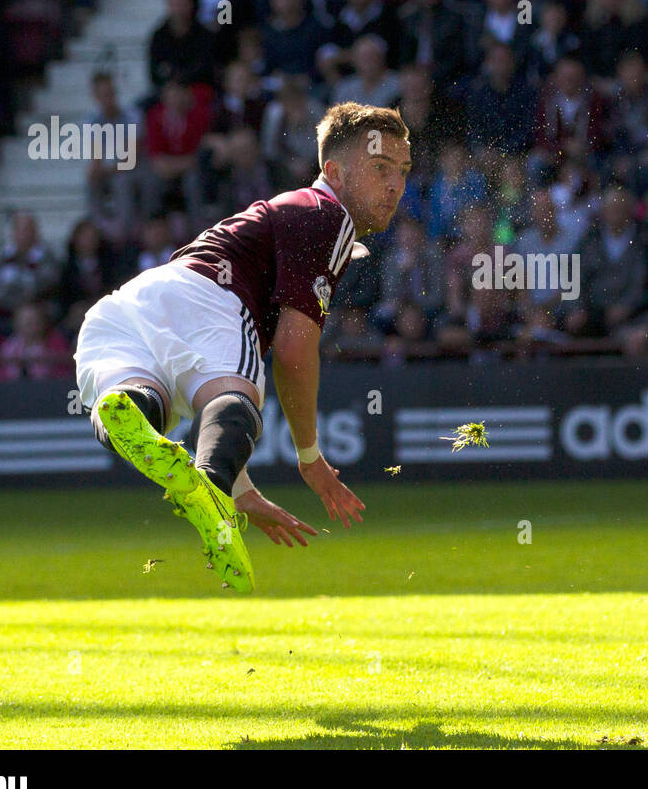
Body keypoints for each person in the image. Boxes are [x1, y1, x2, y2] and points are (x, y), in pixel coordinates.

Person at [74, 103, 411, 593]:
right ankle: (211, 491)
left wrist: (244, 491)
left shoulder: (291, 212)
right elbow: (295, 354)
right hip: (210, 300)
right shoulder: (329, 216)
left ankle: (137, 421)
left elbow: (196, 344)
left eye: (402, 171)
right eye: (380, 169)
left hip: (125, 309)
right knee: (236, 398)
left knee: (141, 404)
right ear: (334, 173)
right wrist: (310, 457)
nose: (395, 185)